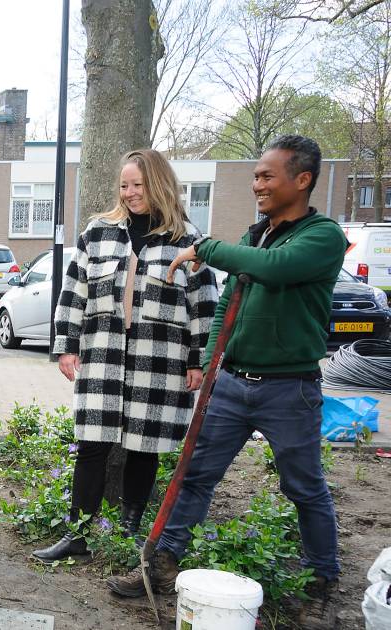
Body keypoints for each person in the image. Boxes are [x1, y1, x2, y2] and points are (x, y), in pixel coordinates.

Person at [107, 136, 344, 630]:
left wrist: (208, 248)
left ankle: (323, 580)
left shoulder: (321, 236)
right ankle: (163, 561)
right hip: (233, 385)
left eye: (266, 176)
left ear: (301, 180)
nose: (257, 184)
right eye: (255, 176)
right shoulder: (256, 236)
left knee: (304, 487)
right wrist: (213, 359)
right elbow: (227, 307)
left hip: (288, 389)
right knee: (195, 476)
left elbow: (275, 271)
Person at [36, 149, 218, 562]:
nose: (131, 193)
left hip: (161, 358)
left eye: (139, 185)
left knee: (143, 446)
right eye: (124, 186)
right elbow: (73, 292)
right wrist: (66, 345)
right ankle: (78, 536)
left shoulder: (187, 240)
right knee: (92, 444)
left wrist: (197, 360)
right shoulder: (98, 232)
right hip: (103, 352)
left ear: (158, 185)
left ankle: (128, 534)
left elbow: (205, 305)